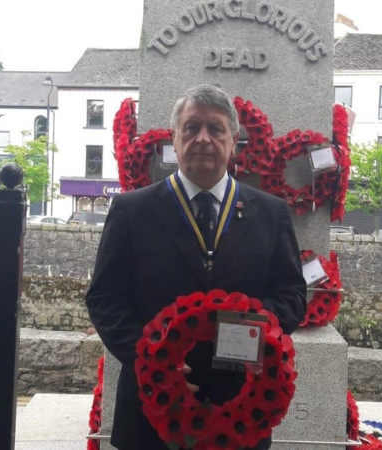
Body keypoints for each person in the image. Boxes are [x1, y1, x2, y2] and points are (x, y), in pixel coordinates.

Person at [86, 84, 307, 450]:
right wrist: (154, 360)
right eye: (191, 127)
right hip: (151, 411)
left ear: (234, 142)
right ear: (174, 139)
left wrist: (243, 337)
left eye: (216, 129)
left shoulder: (272, 214)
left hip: (241, 409)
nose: (203, 138)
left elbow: (292, 296)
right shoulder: (131, 211)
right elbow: (104, 298)